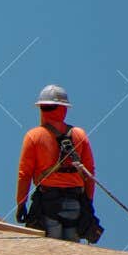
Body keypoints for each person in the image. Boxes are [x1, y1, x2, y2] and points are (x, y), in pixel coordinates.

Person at [15, 85, 101, 243]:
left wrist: (21, 204)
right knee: (71, 253)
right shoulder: (79, 135)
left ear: (41, 108)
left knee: (51, 251)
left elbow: (24, 175)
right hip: (75, 203)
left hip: (48, 204)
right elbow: (90, 173)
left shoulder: (34, 136)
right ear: (64, 109)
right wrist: (88, 203)